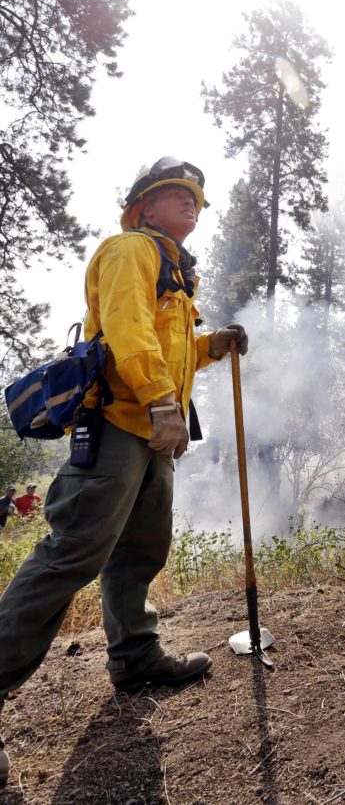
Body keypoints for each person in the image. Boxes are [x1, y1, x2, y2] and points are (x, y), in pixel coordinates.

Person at [0, 158, 249, 786]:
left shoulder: (174, 270)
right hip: (118, 425)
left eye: (196, 198)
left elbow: (164, 345)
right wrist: (163, 401)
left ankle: (135, 656)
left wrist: (210, 346)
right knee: (74, 552)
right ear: (143, 207)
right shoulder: (130, 249)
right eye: (176, 194)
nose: (191, 203)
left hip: (151, 434)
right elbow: (128, 331)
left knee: (140, 551)